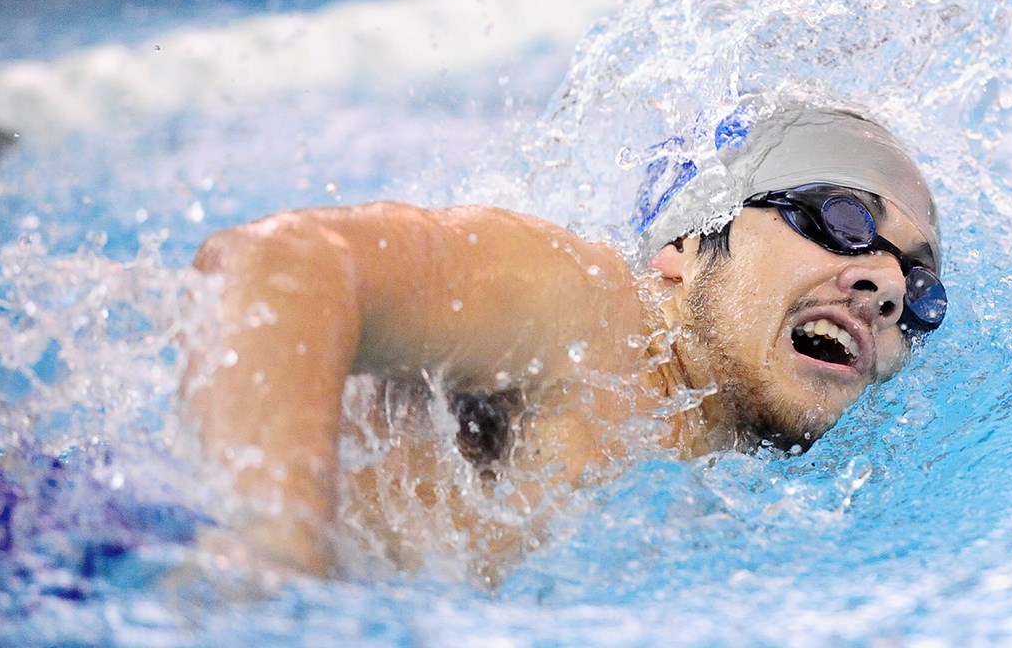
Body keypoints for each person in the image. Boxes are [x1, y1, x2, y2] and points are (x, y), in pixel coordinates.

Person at [182, 104, 947, 579]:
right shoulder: (586, 312)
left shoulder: (769, 486)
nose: (883, 285)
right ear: (686, 241)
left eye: (918, 287)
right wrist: (272, 548)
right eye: (844, 222)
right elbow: (278, 262)